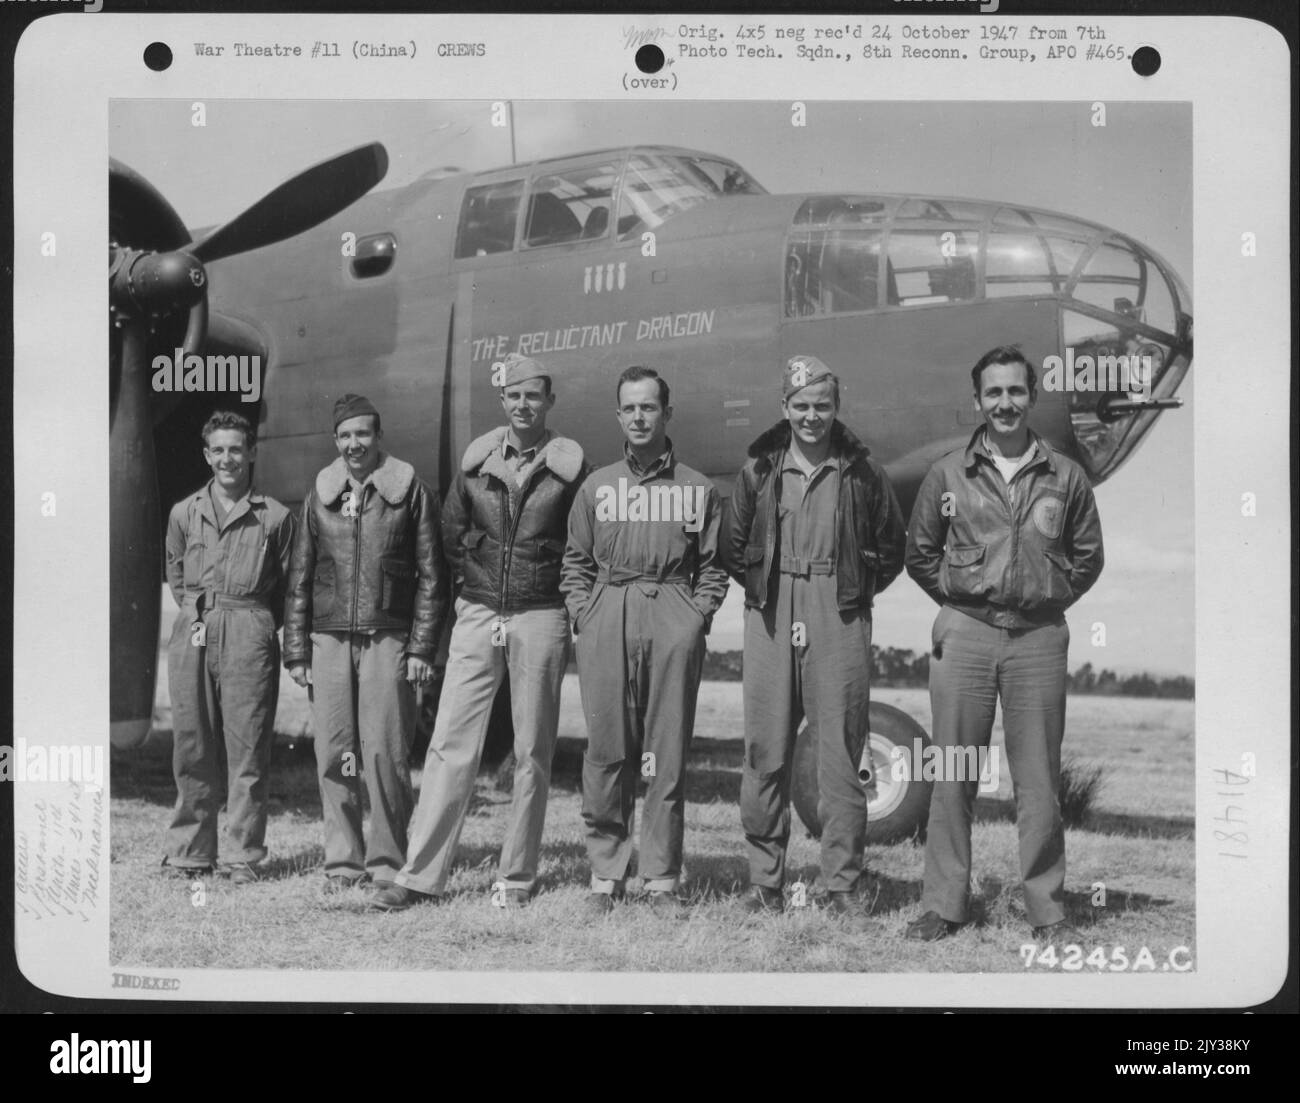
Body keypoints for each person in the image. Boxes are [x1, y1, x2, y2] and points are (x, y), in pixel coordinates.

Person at [371, 355, 589, 911]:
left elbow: (584, 545)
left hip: (541, 615)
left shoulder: (571, 470)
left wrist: (560, 604)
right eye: (514, 396)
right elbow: (452, 537)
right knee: (449, 743)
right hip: (477, 612)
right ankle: (419, 874)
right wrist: (476, 588)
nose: (523, 405)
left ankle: (515, 876)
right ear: (503, 401)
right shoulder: (474, 467)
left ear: (549, 402)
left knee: (532, 749)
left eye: (534, 396)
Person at [903, 346, 1104, 944]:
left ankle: (1046, 908)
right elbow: (919, 553)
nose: (1005, 403)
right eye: (994, 393)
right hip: (963, 633)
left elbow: (1089, 558)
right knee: (954, 771)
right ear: (977, 401)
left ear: (1032, 397)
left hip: (1039, 636)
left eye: (1016, 392)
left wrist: (1046, 593)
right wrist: (962, 593)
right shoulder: (948, 473)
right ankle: (944, 904)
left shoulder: (1065, 476)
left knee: (1038, 778)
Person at [724, 356, 906, 926]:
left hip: (839, 610)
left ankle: (841, 884)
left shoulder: (862, 473)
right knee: (766, 749)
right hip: (772, 609)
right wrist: (771, 586)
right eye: (800, 406)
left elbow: (891, 548)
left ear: (836, 407)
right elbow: (733, 545)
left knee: (843, 754)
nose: (811, 416)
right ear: (785, 408)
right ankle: (764, 881)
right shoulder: (758, 469)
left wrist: (849, 588)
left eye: (821, 406)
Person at [561, 366, 729, 915]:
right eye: (629, 408)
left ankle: (660, 878)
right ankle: (605, 875)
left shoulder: (697, 488)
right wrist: (585, 615)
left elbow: (712, 568)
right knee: (607, 750)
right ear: (618, 416)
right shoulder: (596, 485)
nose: (638, 417)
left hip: (671, 614)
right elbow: (575, 563)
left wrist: (693, 619)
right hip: (608, 612)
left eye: (649, 407)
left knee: (665, 752)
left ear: (666, 413)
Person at [284, 394, 448, 893]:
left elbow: (432, 576)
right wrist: (296, 650)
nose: (355, 444)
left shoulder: (410, 490)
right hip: (329, 638)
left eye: (363, 434)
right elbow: (300, 576)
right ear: (336, 442)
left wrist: (421, 647)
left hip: (388, 637)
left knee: (383, 753)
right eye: (346, 435)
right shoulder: (320, 494)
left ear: (379, 437)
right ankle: (342, 862)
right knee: (335, 752)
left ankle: (386, 861)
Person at [162, 410, 295, 884]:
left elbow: (286, 588)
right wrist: (203, 612)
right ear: (206, 455)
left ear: (252, 452)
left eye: (236, 449)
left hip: (250, 626)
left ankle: (242, 856)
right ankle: (190, 852)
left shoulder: (275, 517)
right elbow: (177, 576)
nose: (227, 459)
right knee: (192, 745)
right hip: (195, 626)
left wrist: (253, 623)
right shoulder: (184, 512)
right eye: (217, 450)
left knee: (247, 748)